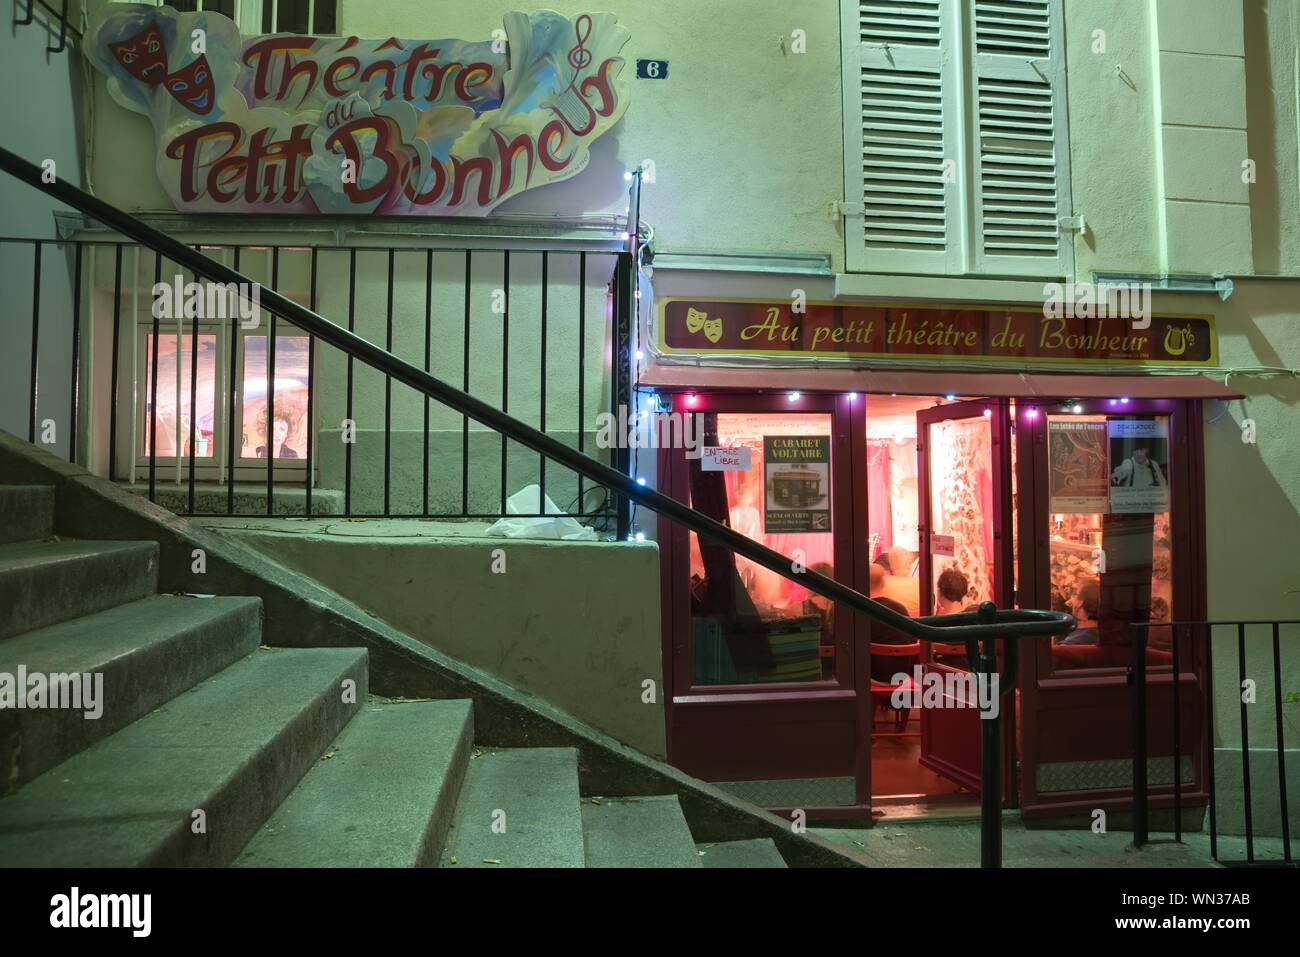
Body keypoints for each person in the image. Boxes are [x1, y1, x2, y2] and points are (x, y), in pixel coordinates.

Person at [1060, 580, 1101, 645]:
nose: (1069, 601)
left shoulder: (1073, 642)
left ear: (1080, 602)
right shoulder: (1102, 632)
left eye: (1074, 595)